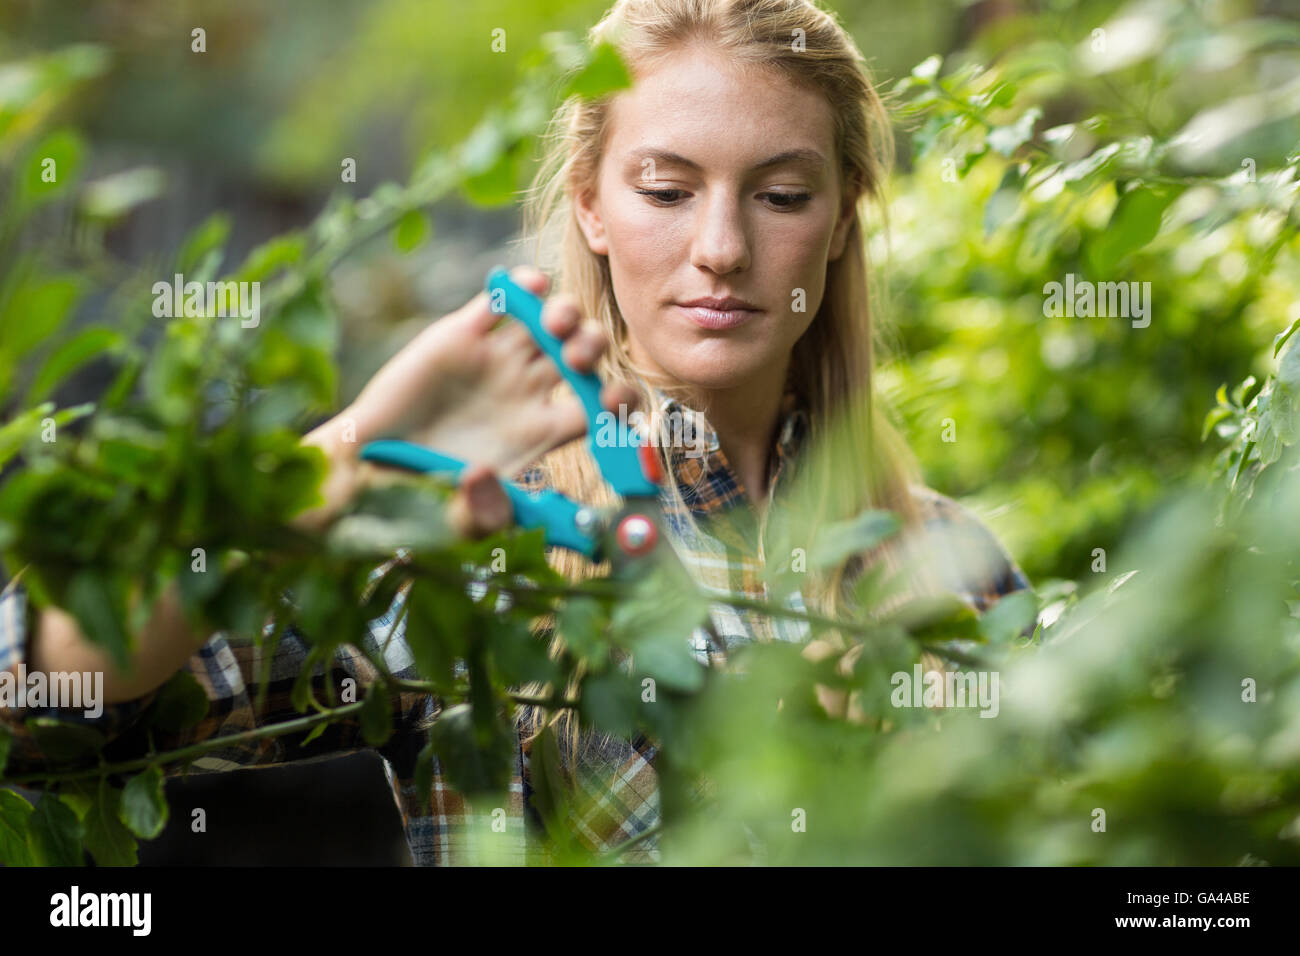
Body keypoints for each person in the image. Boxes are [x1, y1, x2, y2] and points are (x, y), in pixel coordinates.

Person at [1, 0, 1031, 866]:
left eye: (781, 195)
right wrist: (352, 453)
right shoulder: (461, 536)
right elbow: (42, 701)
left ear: (843, 215)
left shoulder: (955, 569)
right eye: (667, 191)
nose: (721, 247)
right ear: (588, 204)